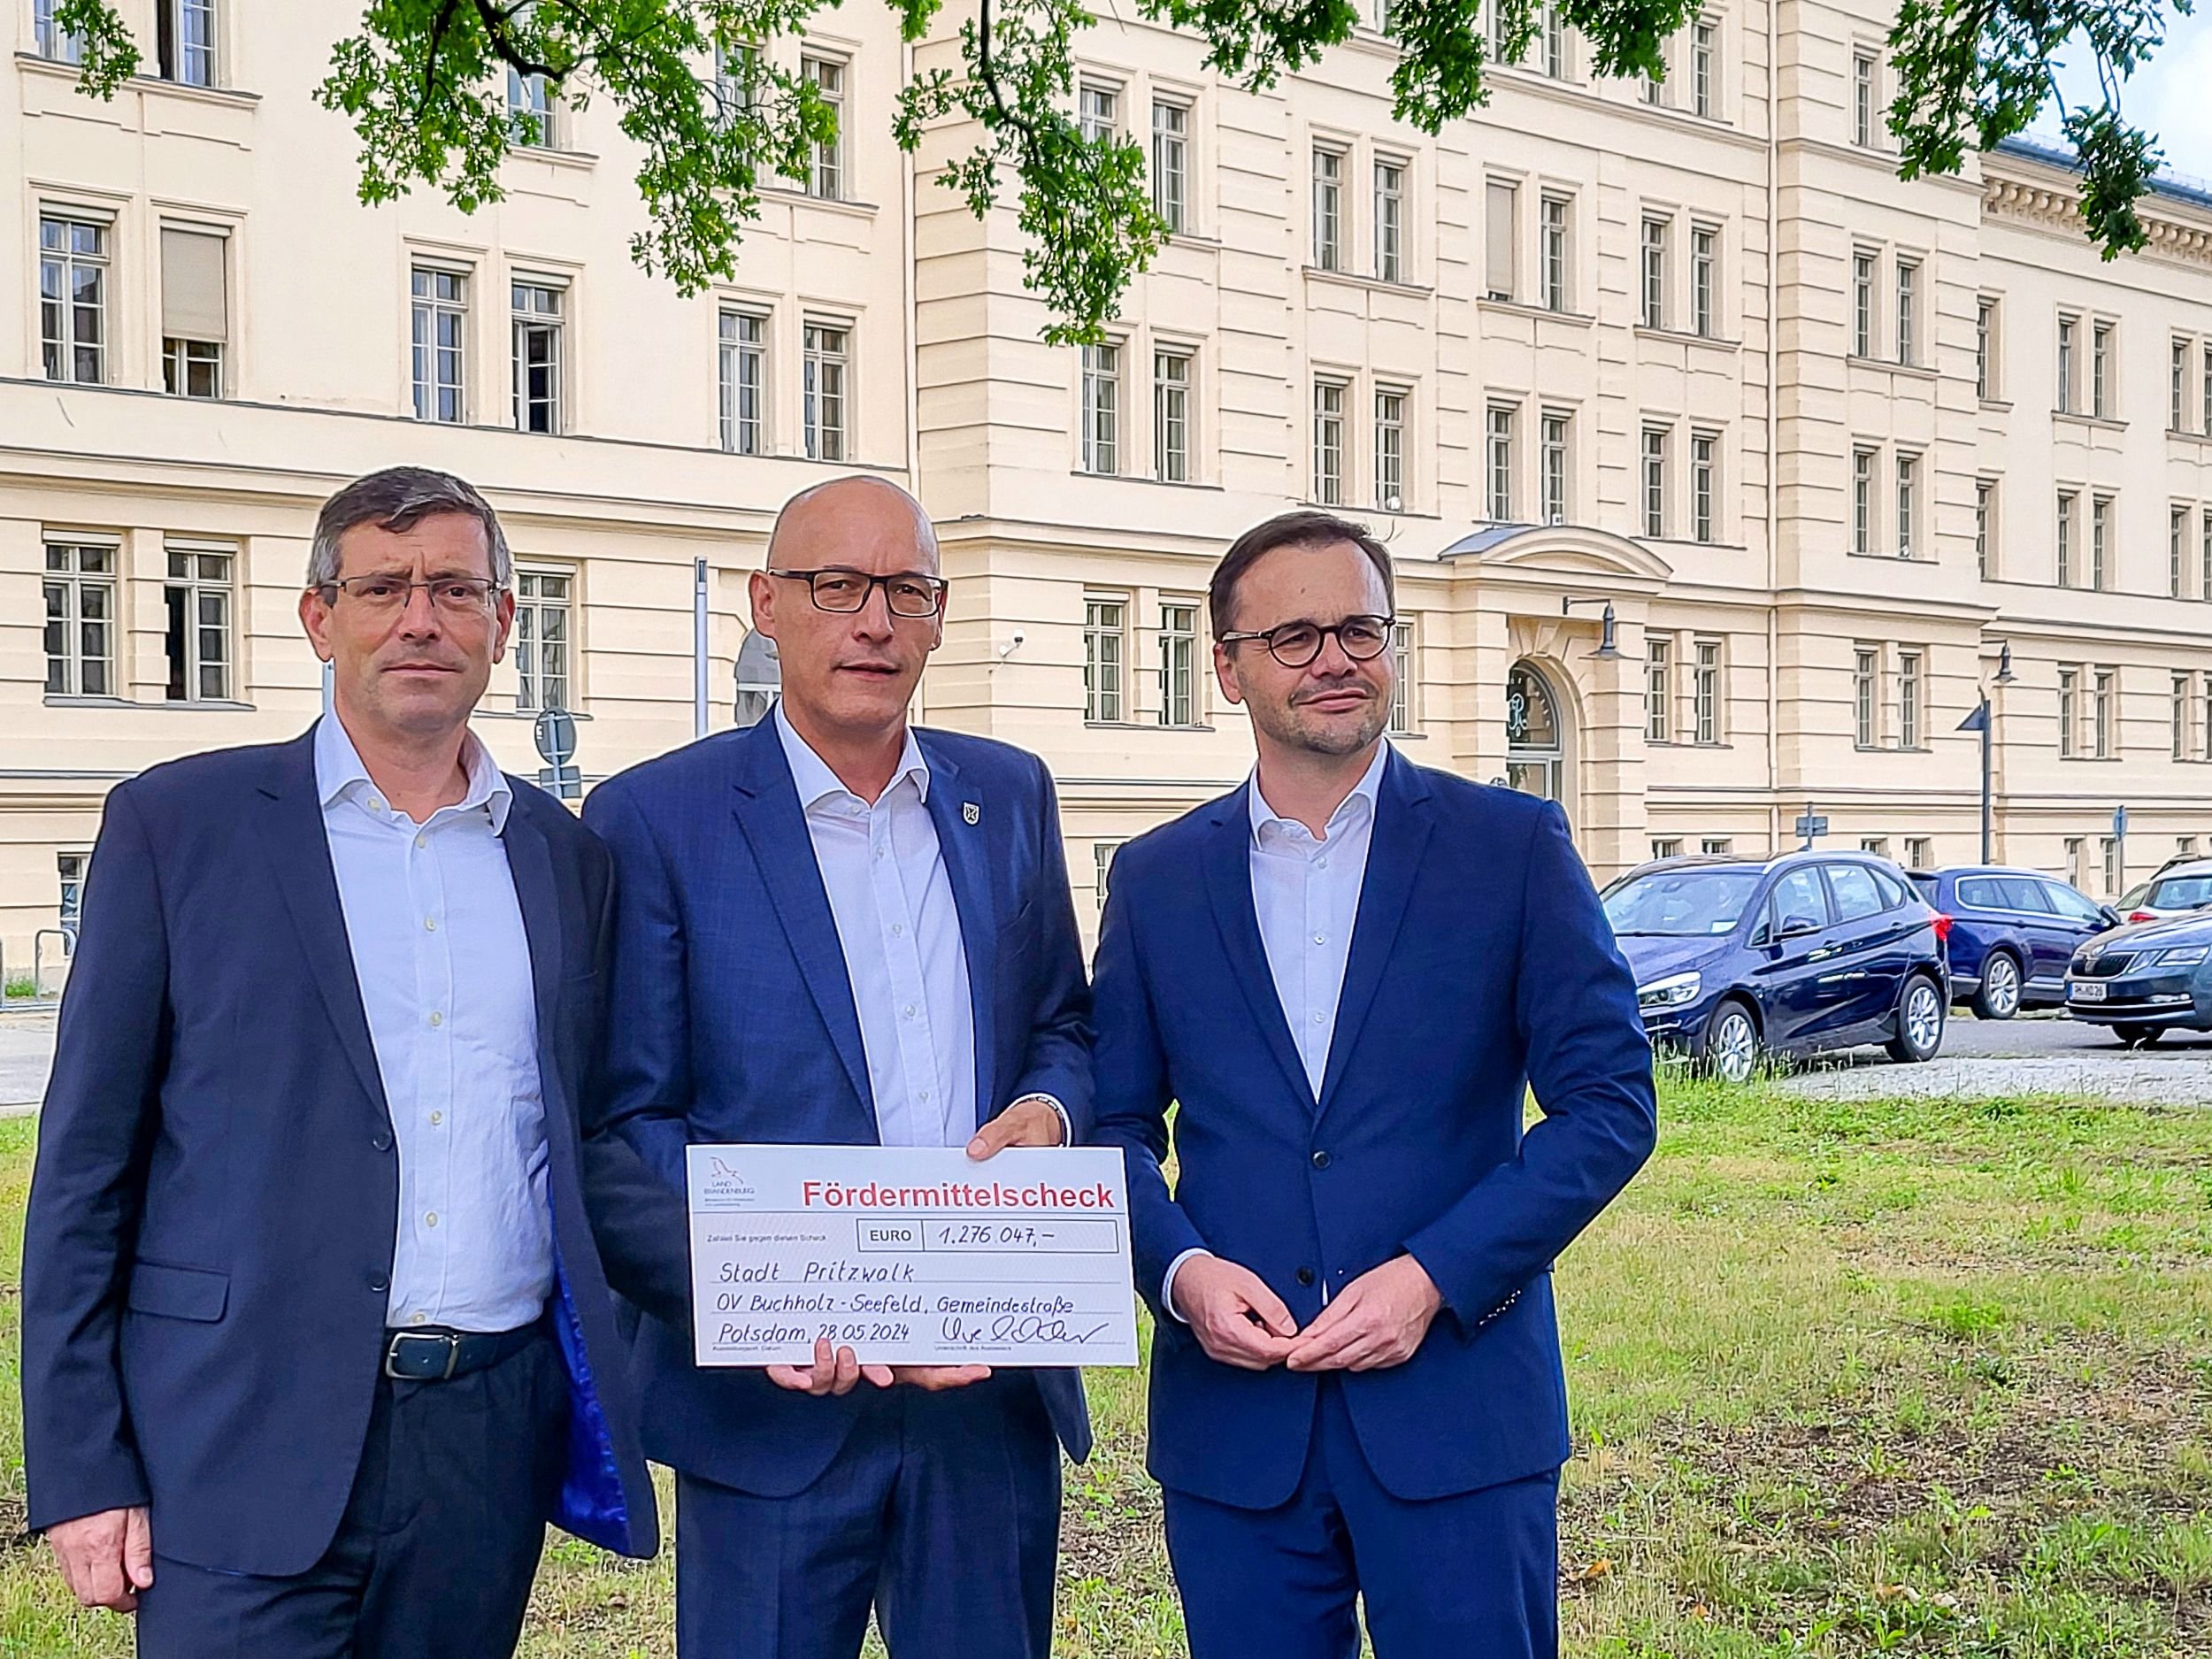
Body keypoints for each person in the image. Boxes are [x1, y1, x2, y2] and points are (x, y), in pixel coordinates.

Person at [22, 467, 686, 1658]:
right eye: (382, 587)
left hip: (482, 1443)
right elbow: (82, 1171)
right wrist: (80, 1467)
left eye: (453, 589)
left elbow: (581, 1146)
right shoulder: (180, 828)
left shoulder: (561, 857)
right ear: (319, 615)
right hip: (234, 1433)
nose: (420, 618)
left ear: (504, 621)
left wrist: (778, 1292)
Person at [1091, 510, 1657, 1659]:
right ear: (1227, 666)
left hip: (1458, 1415)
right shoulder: (1153, 880)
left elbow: (1609, 1105)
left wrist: (1434, 1277)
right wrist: (1182, 1273)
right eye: (1295, 636)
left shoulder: (1511, 847)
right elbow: (1110, 1127)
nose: (1336, 658)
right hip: (1236, 1428)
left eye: (1361, 628)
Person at [584, 475, 1092, 1659]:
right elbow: (626, 1124)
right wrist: (785, 1295)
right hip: (775, 1406)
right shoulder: (658, 818)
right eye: (836, 586)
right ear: (768, 603)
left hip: (985, 1389)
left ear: (938, 611)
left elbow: (1067, 1026)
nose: (873, 620)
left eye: (904, 590)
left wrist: (1052, 1109)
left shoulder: (1008, 795)